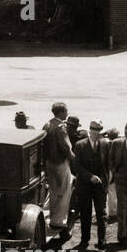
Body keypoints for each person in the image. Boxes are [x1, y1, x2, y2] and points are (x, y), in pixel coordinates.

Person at [71, 120, 111, 251]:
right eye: (94, 130)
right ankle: (84, 240)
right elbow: (76, 166)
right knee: (85, 213)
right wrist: (90, 176)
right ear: (89, 130)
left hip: (100, 186)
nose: (96, 133)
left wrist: (108, 179)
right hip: (84, 185)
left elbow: (108, 163)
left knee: (102, 213)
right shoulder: (80, 145)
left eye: (98, 130)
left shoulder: (105, 144)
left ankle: (102, 240)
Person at [43, 103, 74, 240]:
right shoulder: (61, 127)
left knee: (54, 192)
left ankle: (53, 217)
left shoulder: (47, 125)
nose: (67, 113)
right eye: (66, 111)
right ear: (61, 112)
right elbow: (66, 147)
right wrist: (74, 158)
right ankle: (59, 221)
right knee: (64, 192)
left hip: (49, 163)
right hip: (61, 163)